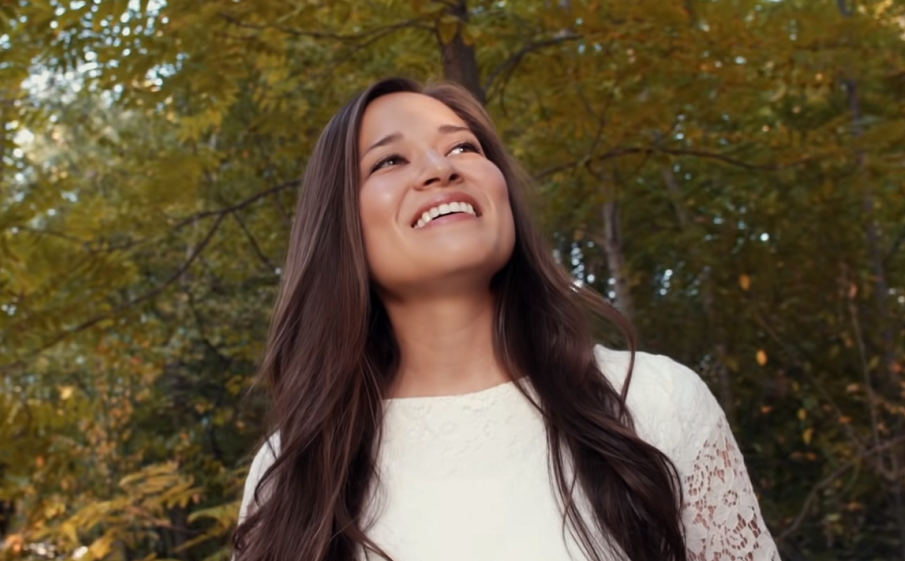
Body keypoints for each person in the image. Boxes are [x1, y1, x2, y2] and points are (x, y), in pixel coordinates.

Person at [230, 77, 781, 561]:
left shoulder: (654, 403)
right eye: (389, 160)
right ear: (338, 228)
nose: (440, 168)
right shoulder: (292, 471)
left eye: (464, 148)